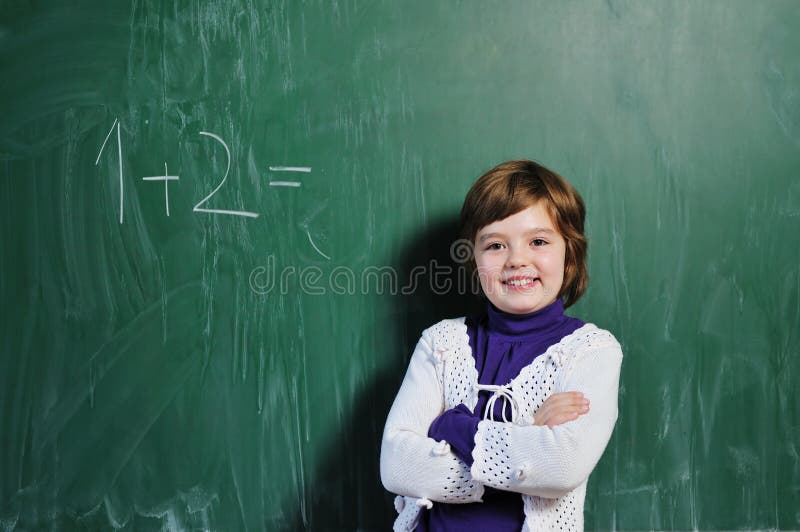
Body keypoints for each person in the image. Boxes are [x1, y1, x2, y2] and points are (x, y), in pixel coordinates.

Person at [380, 160, 623, 531]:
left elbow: (560, 467)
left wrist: (452, 425)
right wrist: (528, 439)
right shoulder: (441, 343)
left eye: (539, 241)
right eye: (495, 245)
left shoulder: (591, 351)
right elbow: (396, 465)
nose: (517, 260)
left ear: (569, 252)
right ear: (473, 258)